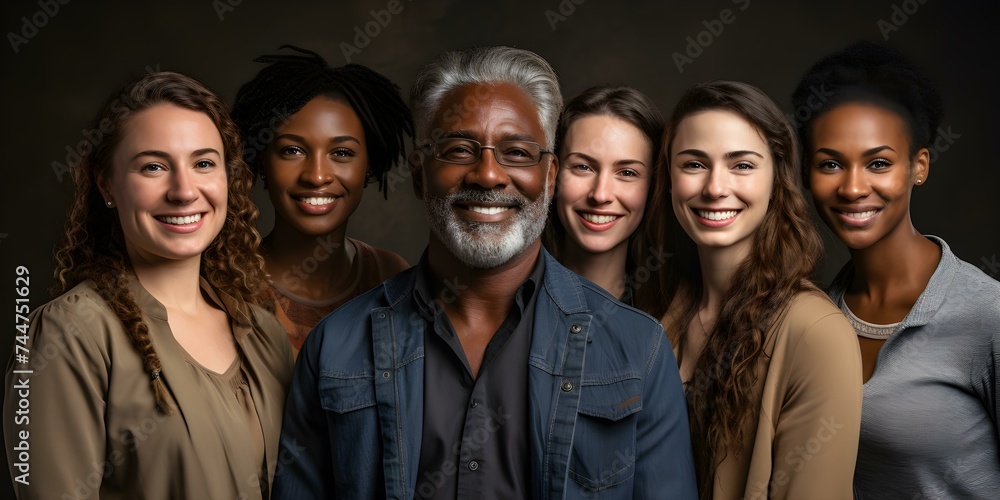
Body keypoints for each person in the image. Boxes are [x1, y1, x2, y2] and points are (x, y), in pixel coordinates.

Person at [272, 45, 697, 499]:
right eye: (459, 149)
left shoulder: (639, 351)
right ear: (419, 174)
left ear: (550, 177)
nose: (489, 175)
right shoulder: (334, 346)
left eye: (516, 152)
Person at [3, 72, 293, 499]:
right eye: (154, 166)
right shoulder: (69, 336)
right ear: (107, 185)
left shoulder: (264, 332)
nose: (183, 190)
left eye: (203, 163)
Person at [792, 41, 1000, 498]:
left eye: (878, 163)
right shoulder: (809, 319)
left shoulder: (988, 316)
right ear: (806, 173)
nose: (851, 187)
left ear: (918, 166)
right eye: (830, 164)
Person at [646, 80, 863, 499]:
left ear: (776, 179)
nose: (714, 187)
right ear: (668, 179)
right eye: (693, 164)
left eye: (742, 165)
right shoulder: (659, 313)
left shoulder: (815, 332)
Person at [231, 46, 413, 357]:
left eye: (341, 153)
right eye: (292, 150)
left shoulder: (389, 275)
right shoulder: (226, 281)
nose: (316, 176)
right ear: (261, 161)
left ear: (369, 166)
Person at [543, 85, 664, 305]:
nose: (600, 195)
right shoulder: (506, 300)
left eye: (627, 173)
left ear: (654, 185)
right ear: (553, 173)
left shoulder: (674, 318)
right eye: (583, 167)